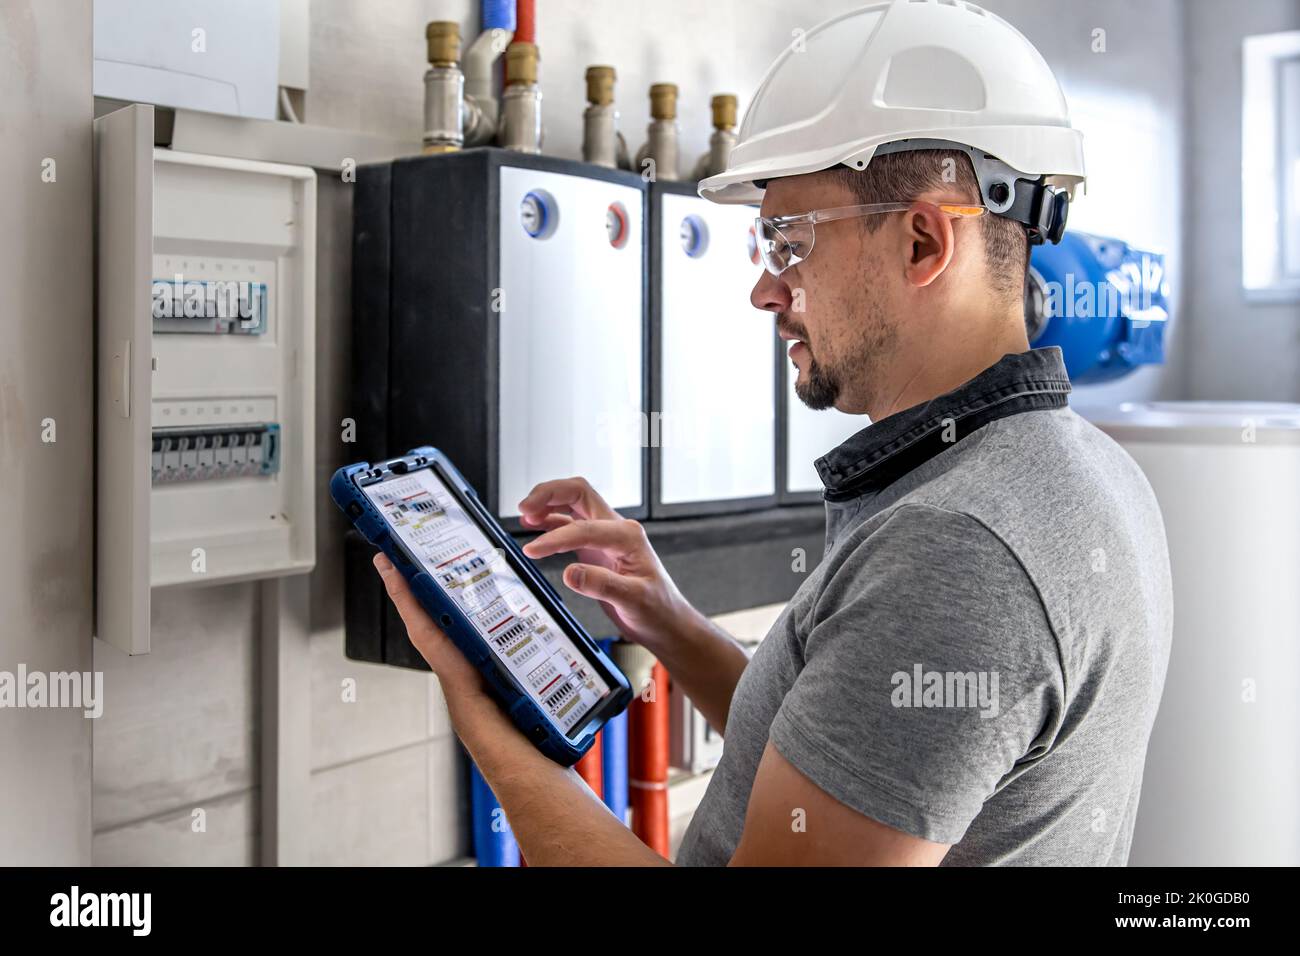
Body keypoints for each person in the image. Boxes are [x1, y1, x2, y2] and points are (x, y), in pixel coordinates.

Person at [374, 0, 1172, 865]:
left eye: (789, 243)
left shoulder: (958, 549)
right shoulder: (1081, 468)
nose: (764, 289)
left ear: (921, 242)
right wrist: (669, 620)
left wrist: (491, 724)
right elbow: (850, 760)